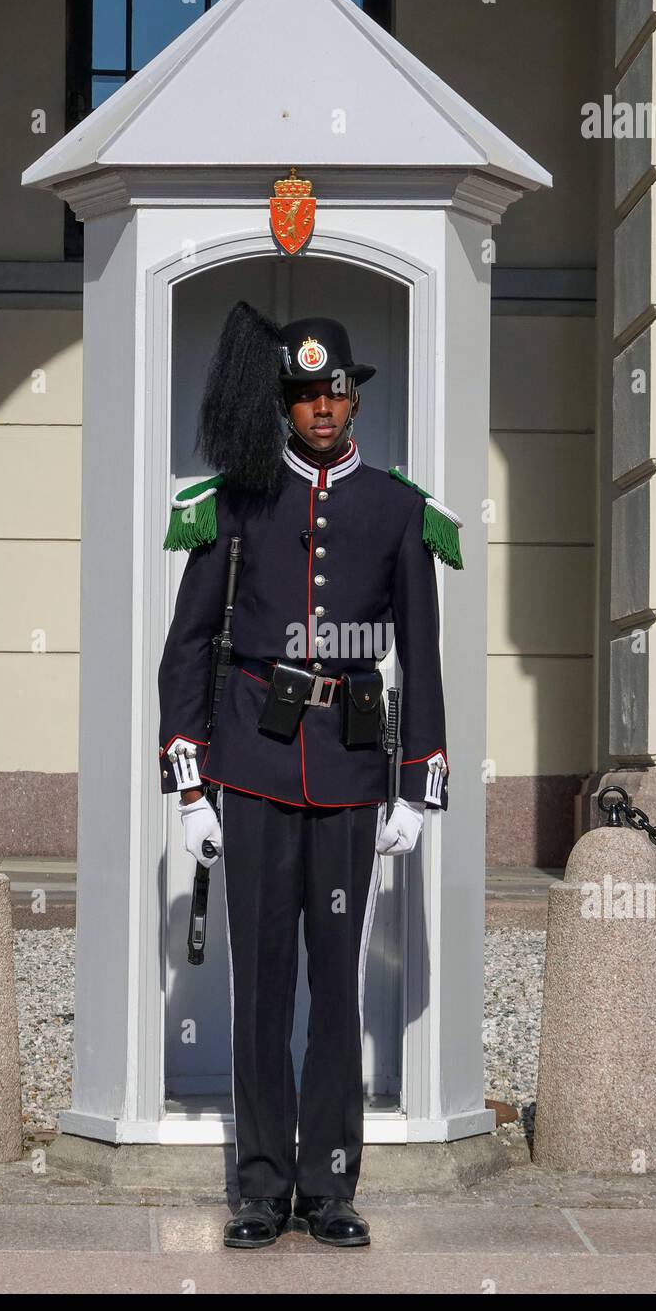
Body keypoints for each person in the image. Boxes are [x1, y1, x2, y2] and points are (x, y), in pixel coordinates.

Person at [158, 302, 462, 1248]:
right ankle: (259, 1186)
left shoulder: (400, 509)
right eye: (303, 395)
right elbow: (188, 647)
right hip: (250, 764)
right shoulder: (236, 503)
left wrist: (419, 784)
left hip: (350, 768)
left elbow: (422, 649)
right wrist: (191, 784)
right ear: (284, 404)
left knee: (337, 986)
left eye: (333, 392)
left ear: (354, 398)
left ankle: (330, 1186)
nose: (321, 409)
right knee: (262, 985)